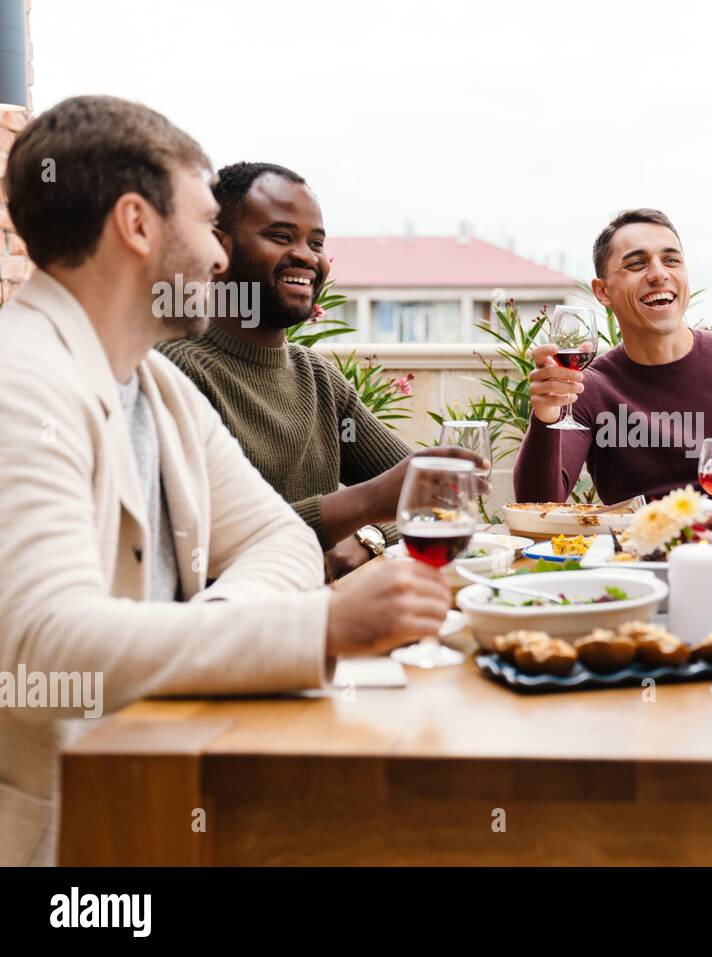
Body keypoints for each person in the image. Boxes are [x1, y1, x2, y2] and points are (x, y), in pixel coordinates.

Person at [0, 96, 451, 866]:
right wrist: (321, 628)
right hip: (67, 847)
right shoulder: (22, 383)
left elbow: (279, 535)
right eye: (205, 223)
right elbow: (47, 648)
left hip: (167, 791)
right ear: (138, 225)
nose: (217, 257)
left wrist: (217, 624)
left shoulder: (155, 388)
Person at [159, 162, 481, 580]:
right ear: (217, 248)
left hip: (330, 617)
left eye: (316, 242)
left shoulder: (315, 376)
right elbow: (207, 545)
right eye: (281, 237)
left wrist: (366, 534)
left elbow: (432, 496)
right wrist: (363, 506)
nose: (307, 257)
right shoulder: (177, 371)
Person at [513, 208, 712, 519]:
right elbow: (538, 507)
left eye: (671, 260)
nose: (658, 274)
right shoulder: (587, 388)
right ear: (602, 291)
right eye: (637, 264)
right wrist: (546, 415)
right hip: (640, 567)